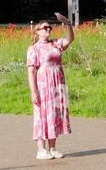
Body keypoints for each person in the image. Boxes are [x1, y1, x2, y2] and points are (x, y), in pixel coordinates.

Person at [26, 14, 74, 160]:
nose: (48, 30)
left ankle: (52, 148)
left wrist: (67, 24)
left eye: (49, 27)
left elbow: (70, 39)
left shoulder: (55, 44)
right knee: (41, 114)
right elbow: (31, 71)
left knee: (54, 114)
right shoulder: (33, 49)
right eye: (44, 28)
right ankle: (41, 150)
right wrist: (33, 91)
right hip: (43, 84)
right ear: (37, 32)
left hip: (57, 84)